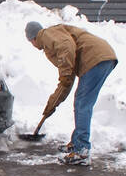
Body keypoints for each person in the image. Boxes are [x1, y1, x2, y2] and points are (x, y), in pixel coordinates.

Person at [25, 20, 118, 166]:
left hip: (96, 58)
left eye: (31, 42)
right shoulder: (49, 40)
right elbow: (66, 81)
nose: (32, 45)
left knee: (82, 103)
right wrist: (53, 104)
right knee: (80, 101)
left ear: (33, 38)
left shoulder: (47, 34)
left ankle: (81, 151)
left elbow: (66, 46)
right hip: (99, 58)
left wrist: (66, 74)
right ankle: (76, 144)